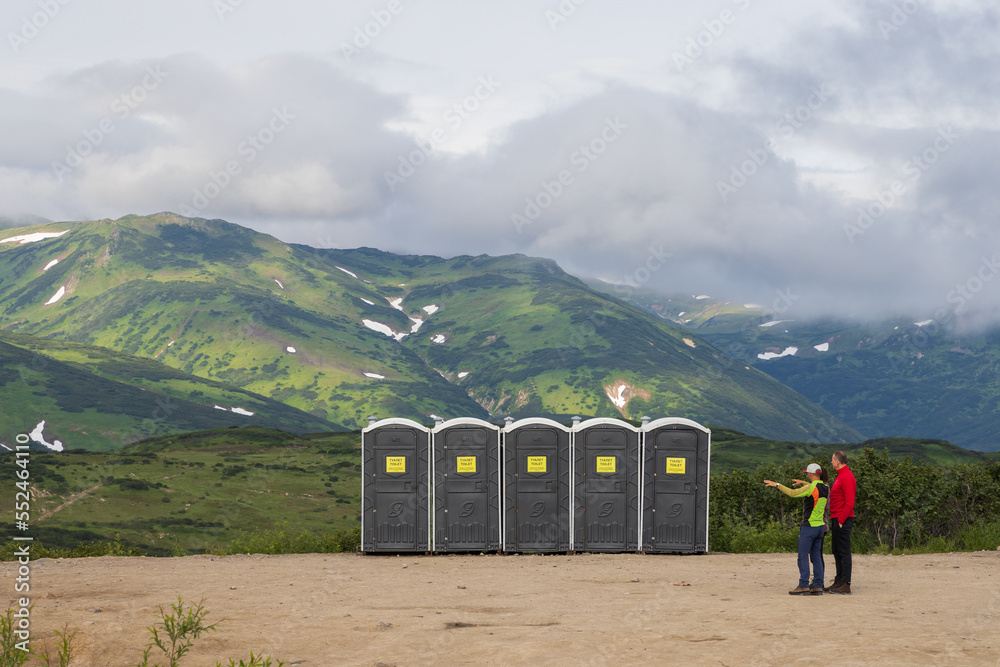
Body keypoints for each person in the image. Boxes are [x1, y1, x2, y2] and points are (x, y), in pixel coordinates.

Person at [764, 463, 830, 595]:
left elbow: (792, 493)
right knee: (816, 556)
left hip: (809, 527)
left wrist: (777, 485)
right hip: (819, 527)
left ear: (810, 474)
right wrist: (804, 482)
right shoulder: (826, 487)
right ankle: (818, 586)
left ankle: (803, 585)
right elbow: (814, 486)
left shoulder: (810, 488)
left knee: (803, 556)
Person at [825, 450, 856, 595]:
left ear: (838, 461)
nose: (831, 462)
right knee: (836, 551)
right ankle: (838, 580)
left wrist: (842, 520)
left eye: (832, 459)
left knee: (844, 551)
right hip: (836, 517)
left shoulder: (847, 477)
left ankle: (846, 583)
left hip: (842, 518)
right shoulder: (840, 476)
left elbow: (850, 503)